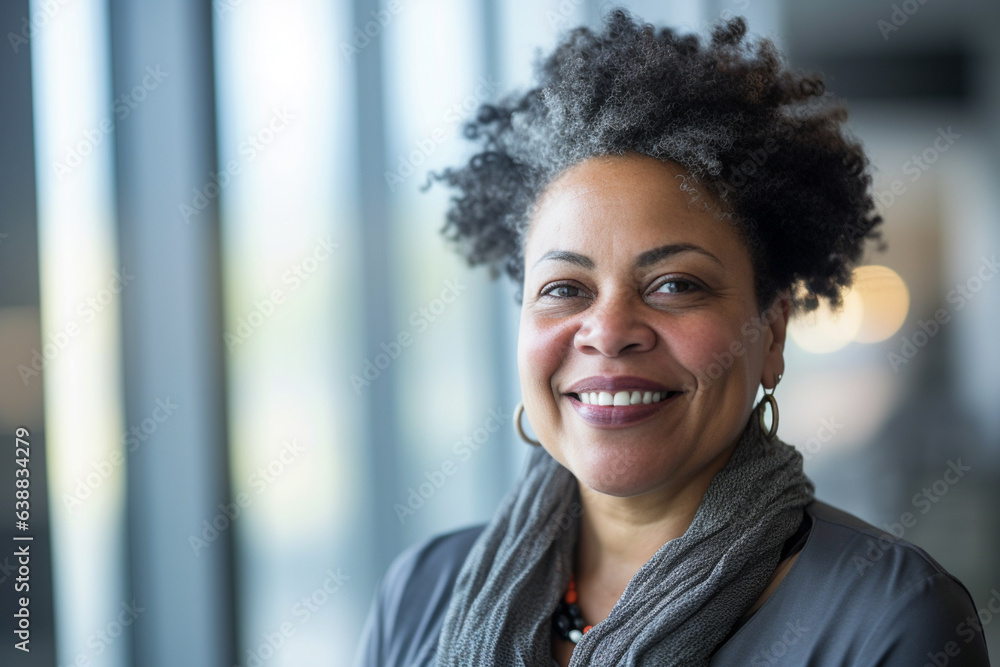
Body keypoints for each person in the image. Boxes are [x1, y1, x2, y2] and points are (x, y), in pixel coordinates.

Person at [354, 8, 991, 666]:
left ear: (771, 333)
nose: (608, 330)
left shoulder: (889, 615)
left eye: (675, 284)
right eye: (564, 288)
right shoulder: (422, 592)